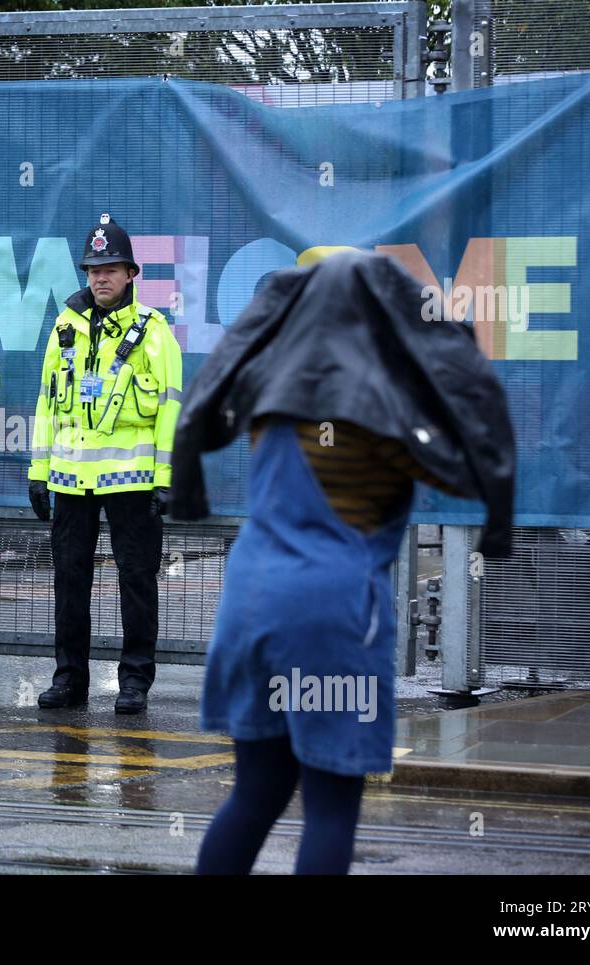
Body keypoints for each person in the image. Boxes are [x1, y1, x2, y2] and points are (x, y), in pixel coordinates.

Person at [172, 249, 514, 874]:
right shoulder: (383, 413)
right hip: (330, 614)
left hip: (249, 603)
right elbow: (465, 469)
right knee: (331, 808)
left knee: (257, 792)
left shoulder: (268, 390)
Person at [27, 213, 183, 714]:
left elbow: (170, 408)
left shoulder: (154, 333)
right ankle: (69, 679)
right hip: (71, 480)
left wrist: (165, 479)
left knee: (136, 580)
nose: (101, 277)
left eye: (111, 268)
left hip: (133, 482)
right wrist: (38, 470)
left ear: (132, 274)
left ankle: (134, 681)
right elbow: (48, 402)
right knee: (69, 582)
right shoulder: (64, 326)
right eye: (94, 268)